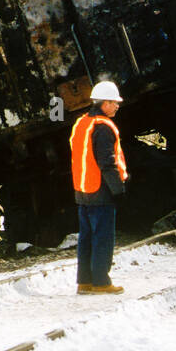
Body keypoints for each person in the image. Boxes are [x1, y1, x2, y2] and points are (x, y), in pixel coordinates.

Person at [70, 80, 129, 294]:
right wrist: (118, 190)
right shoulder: (103, 128)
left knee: (86, 238)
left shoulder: (81, 123)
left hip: (83, 190)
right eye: (114, 103)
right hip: (100, 190)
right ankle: (102, 283)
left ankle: (84, 282)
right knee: (103, 237)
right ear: (104, 103)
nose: (117, 106)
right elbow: (107, 162)